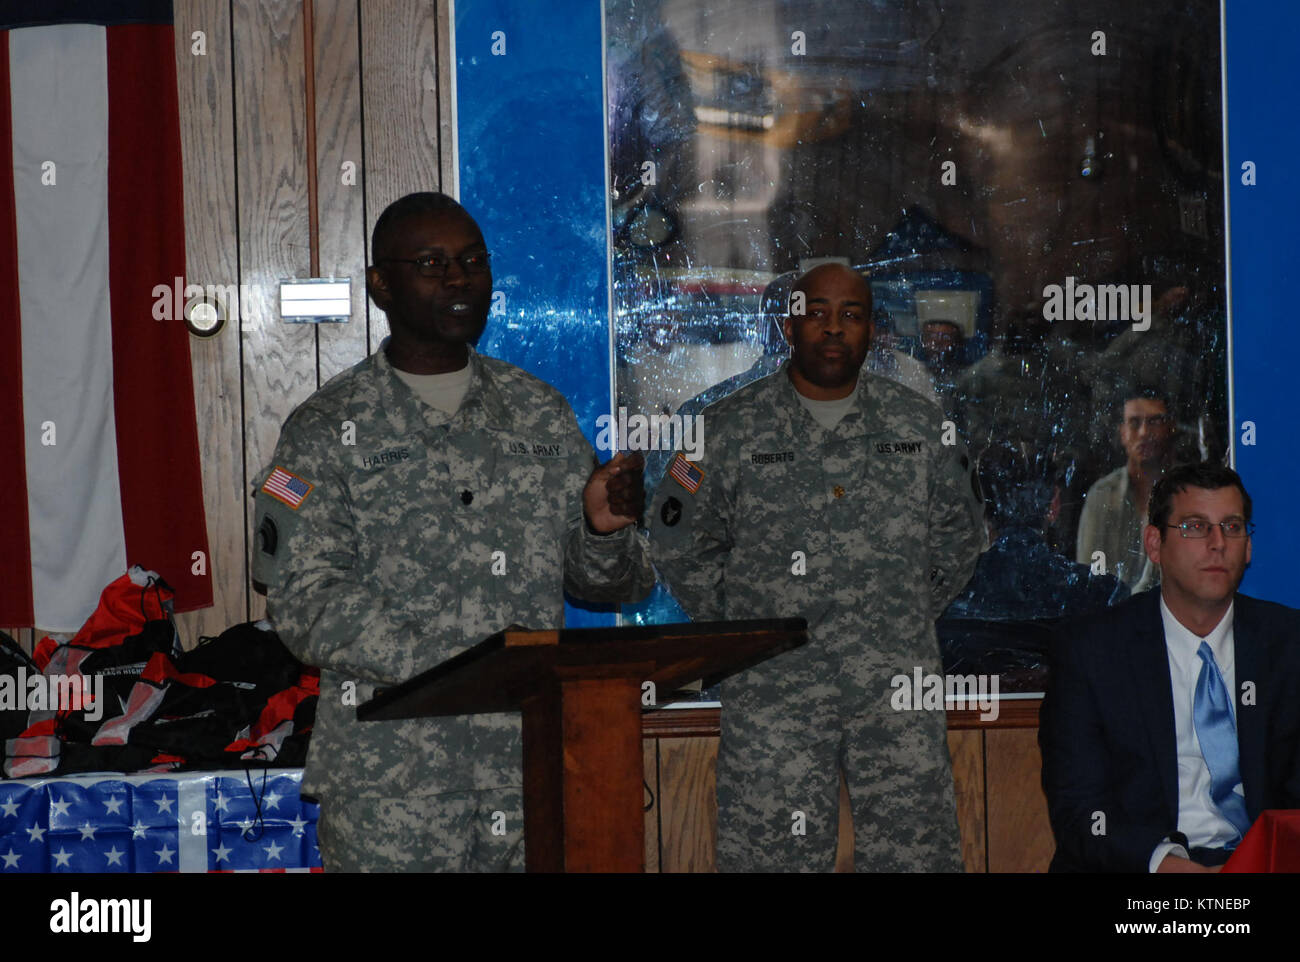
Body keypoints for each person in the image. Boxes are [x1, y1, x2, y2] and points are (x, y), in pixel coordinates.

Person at [251, 192, 655, 872]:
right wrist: (459, 663)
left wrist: (602, 528)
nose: (459, 278)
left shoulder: (538, 413)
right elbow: (302, 599)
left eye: (472, 261)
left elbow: (611, 584)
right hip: (393, 787)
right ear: (380, 284)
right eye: (432, 263)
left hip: (530, 772)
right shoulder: (326, 428)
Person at [649, 262, 985, 871]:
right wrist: (748, 627)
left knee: (916, 857)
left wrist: (897, 613)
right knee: (770, 858)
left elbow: (960, 539)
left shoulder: (920, 425)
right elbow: (678, 543)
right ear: (788, 325)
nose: (834, 328)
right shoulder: (724, 429)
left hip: (895, 689)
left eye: (851, 315)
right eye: (817, 313)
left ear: (872, 330)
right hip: (774, 694)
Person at [1040, 462, 1300, 872]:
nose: (1218, 543)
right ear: (1154, 544)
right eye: (1195, 527)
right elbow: (1082, 813)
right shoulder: (1092, 651)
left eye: (1232, 527)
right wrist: (1167, 866)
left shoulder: (1288, 644)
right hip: (1144, 866)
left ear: (1248, 547)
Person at [1075, 387, 1176, 592]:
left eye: (1154, 422)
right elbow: (1088, 579)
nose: (1144, 433)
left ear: (1170, 428)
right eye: (1135, 423)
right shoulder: (1102, 495)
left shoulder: (1189, 492)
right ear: (1123, 433)